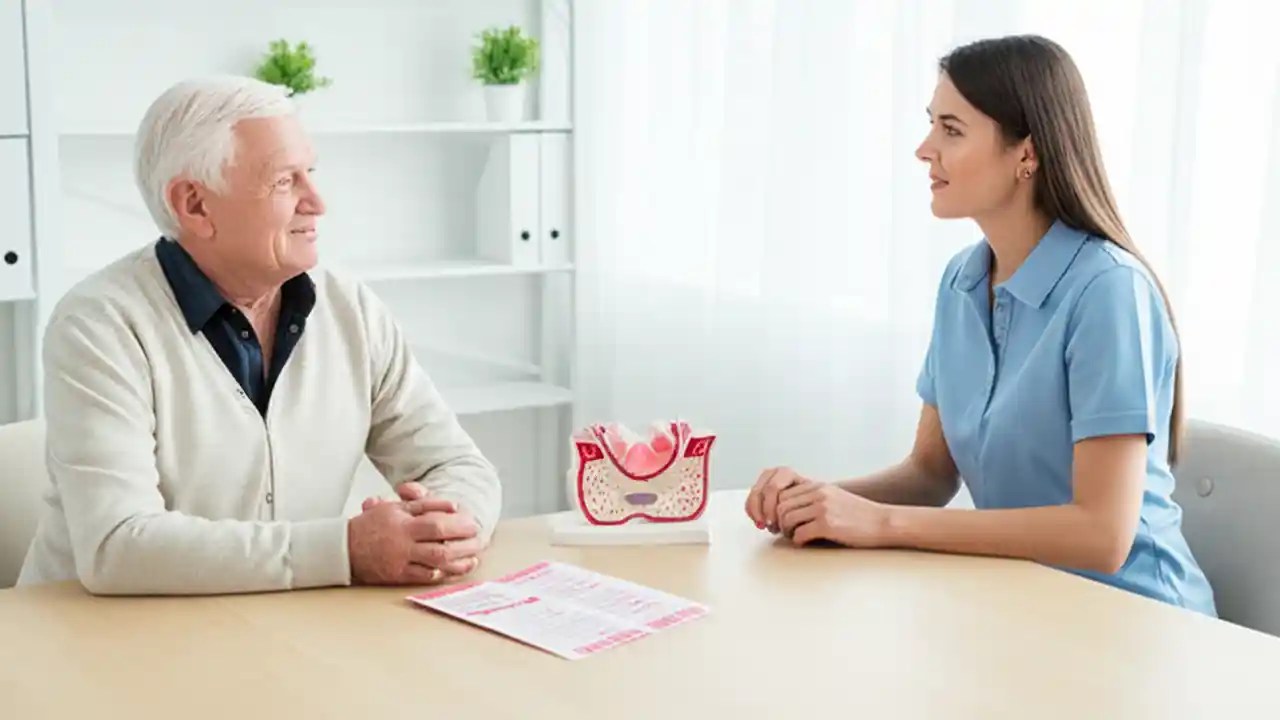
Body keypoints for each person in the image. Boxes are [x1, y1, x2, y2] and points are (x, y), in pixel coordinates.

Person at [744, 35, 1216, 616]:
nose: (924, 149)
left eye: (952, 129)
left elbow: (1103, 536)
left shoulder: (1109, 292)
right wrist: (818, 499)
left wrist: (884, 523)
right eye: (931, 125)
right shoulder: (962, 281)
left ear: (1027, 154)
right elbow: (929, 475)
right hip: (1022, 605)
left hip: (1140, 621)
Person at [18, 76, 502, 595]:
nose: (317, 201)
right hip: (89, 646)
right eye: (283, 181)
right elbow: (118, 547)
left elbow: (453, 463)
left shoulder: (350, 308)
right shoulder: (99, 325)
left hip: (272, 633)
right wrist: (346, 551)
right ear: (195, 205)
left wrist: (449, 528)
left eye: (309, 172)